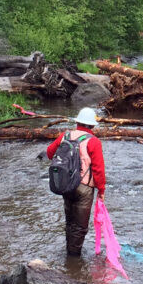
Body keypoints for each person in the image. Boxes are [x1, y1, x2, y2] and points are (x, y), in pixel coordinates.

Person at [45, 107, 106, 257]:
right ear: (92, 125)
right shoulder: (93, 141)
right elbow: (98, 169)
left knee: (70, 222)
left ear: (77, 121)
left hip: (66, 185)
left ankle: (69, 253)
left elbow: (49, 153)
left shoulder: (65, 135)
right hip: (84, 188)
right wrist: (101, 191)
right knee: (79, 226)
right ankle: (74, 260)